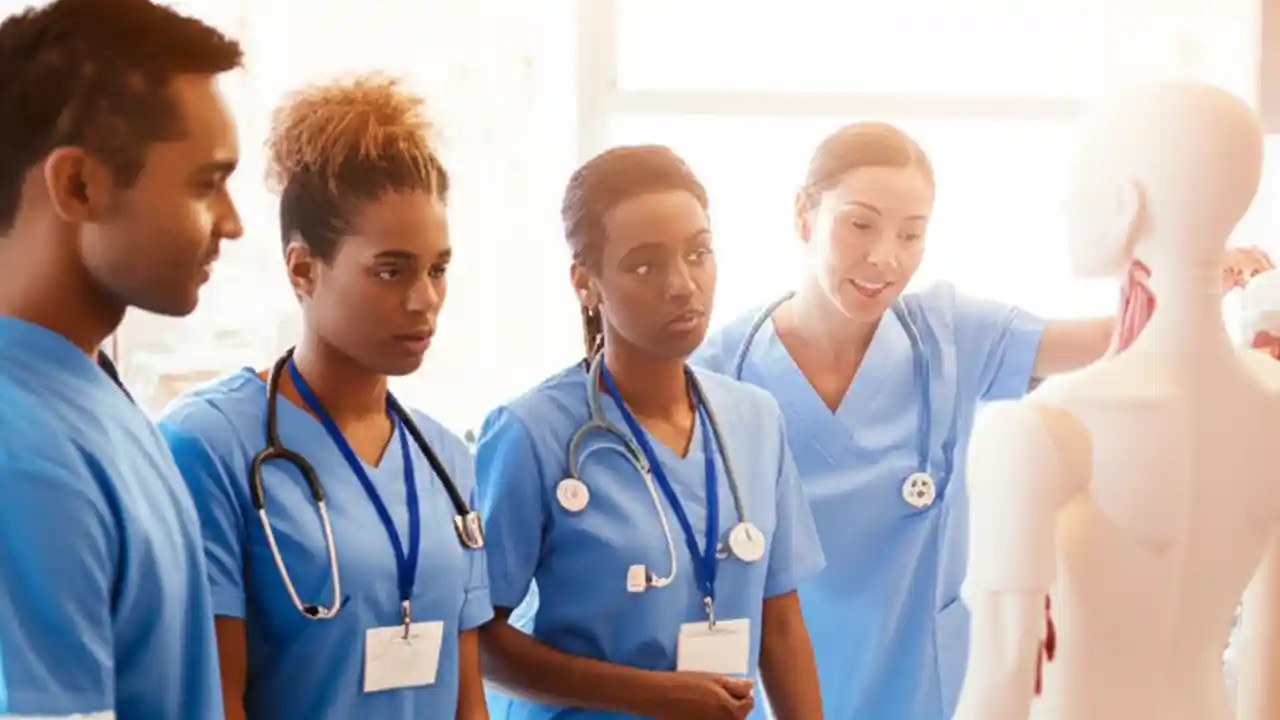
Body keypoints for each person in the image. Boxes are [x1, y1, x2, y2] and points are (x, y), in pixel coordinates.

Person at [690, 121, 1274, 719]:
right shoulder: (715, 374)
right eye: (860, 224)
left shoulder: (951, 335)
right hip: (784, 693)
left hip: (928, 693)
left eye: (911, 234)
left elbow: (1113, 339)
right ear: (804, 215)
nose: (885, 257)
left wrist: (1192, 269)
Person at [157, 75, 492, 720]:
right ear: (303, 269)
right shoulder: (211, 445)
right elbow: (214, 701)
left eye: (438, 269)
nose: (424, 300)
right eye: (390, 270)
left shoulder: (447, 460)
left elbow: (467, 701)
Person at [475, 145, 826, 720]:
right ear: (586, 283)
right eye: (646, 265)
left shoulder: (754, 420)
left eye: (699, 253)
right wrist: (650, 693)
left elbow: (781, 626)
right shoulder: (531, 433)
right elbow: (481, 642)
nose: (683, 285)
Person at [0, 0, 244, 717]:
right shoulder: (23, 453)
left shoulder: (81, 391)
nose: (231, 222)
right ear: (78, 185)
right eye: (206, 183)